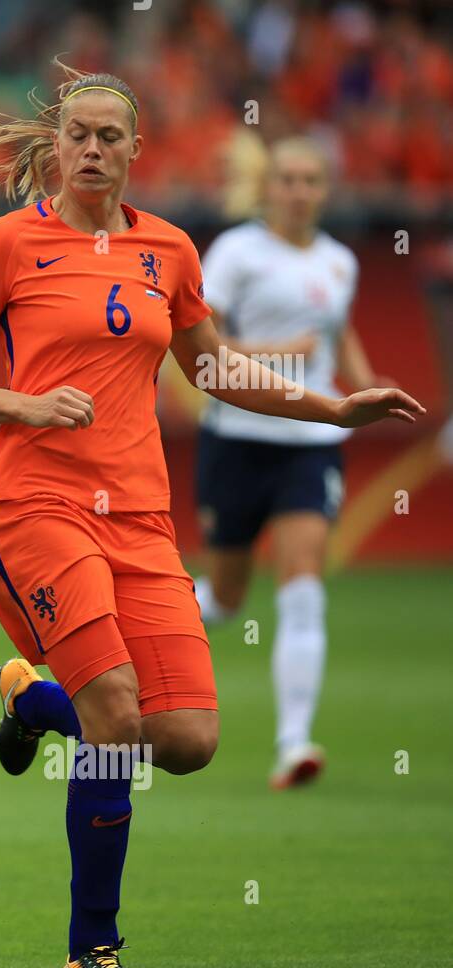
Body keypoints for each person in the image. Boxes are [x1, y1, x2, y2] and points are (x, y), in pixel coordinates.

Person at [0, 64, 424, 968]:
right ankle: (91, 950)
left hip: (141, 517)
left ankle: (31, 697)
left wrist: (334, 409)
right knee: (112, 712)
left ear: (138, 148)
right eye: (80, 135)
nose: (94, 149)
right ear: (58, 145)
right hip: (37, 504)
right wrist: (24, 408)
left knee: (186, 741)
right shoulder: (8, 245)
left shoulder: (172, 251)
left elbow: (216, 370)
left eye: (112, 135)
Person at [192, 137, 381, 790]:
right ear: (268, 187)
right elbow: (200, 345)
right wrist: (277, 352)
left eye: (311, 180)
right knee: (223, 595)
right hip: (237, 438)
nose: (299, 190)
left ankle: (294, 742)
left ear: (325, 189)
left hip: (311, 442)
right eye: (288, 179)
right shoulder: (236, 253)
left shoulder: (339, 262)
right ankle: (127, 648)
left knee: (303, 582)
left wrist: (363, 389)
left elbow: (337, 332)